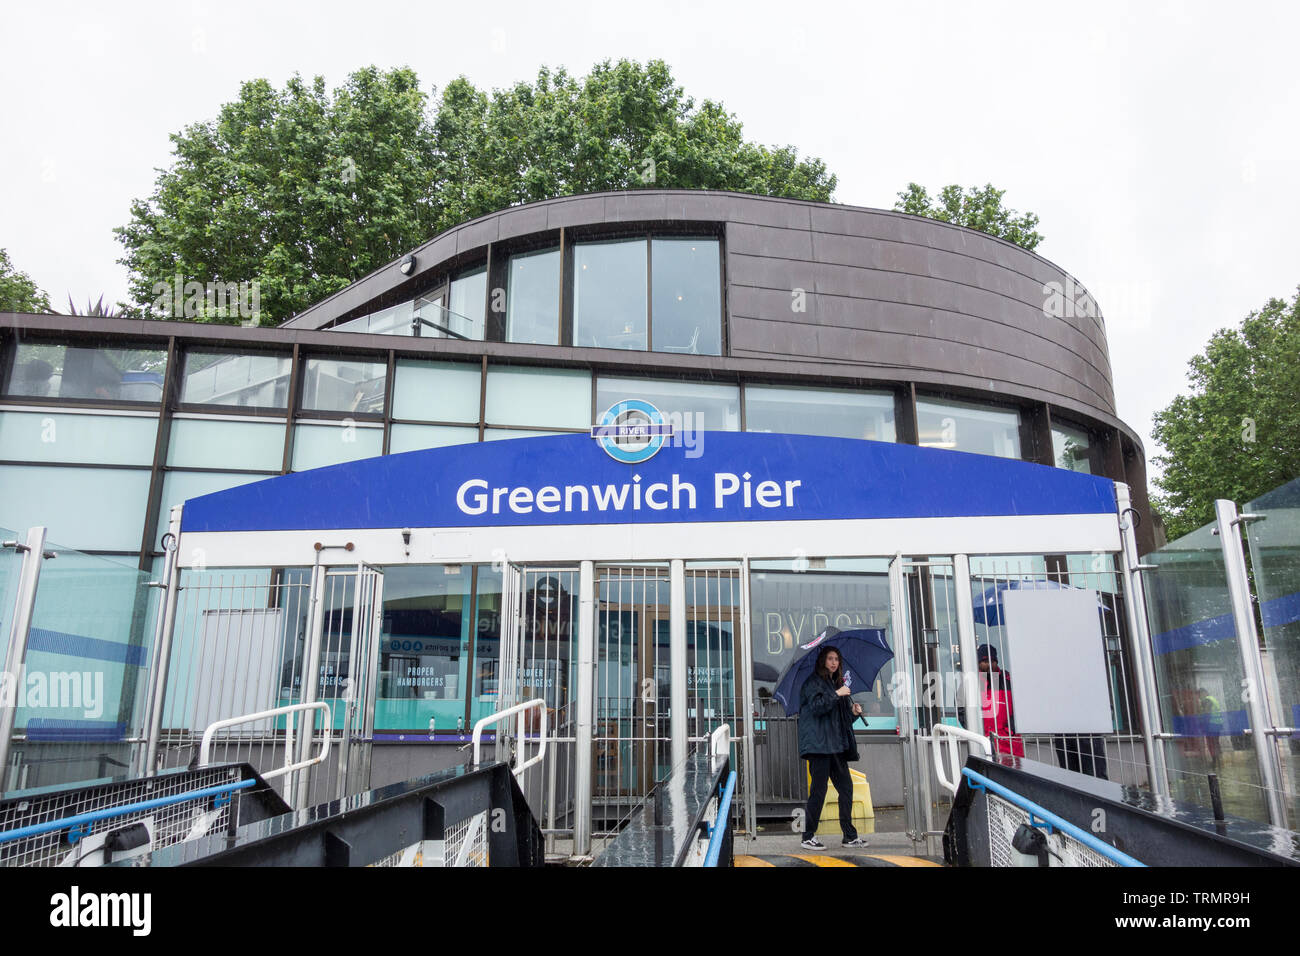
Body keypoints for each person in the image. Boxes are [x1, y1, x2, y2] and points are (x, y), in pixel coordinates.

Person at [798, 645, 869, 849]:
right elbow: (817, 708)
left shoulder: (836, 684)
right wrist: (837, 694)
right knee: (818, 792)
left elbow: (841, 720)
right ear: (823, 661)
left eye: (837, 659)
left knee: (846, 788)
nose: (834, 662)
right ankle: (808, 836)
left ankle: (849, 835)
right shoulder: (813, 682)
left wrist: (853, 713)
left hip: (836, 746)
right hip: (819, 747)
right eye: (830, 658)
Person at [977, 644, 1025, 758]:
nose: (989, 664)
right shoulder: (972, 681)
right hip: (981, 744)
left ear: (997, 662)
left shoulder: (1008, 680)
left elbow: (1021, 707)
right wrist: (976, 731)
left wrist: (1010, 730)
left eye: (992, 661)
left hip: (1009, 744)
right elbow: (962, 709)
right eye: (985, 661)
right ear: (979, 663)